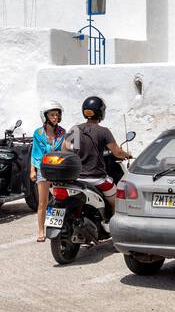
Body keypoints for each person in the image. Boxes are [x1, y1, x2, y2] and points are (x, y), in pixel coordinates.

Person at [62, 96, 132, 206]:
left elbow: (64, 149)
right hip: (97, 178)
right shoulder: (103, 131)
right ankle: (112, 221)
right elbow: (117, 152)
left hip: (77, 178)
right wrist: (128, 155)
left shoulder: (75, 129)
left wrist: (76, 152)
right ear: (101, 112)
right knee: (118, 201)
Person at [29, 100, 66, 242]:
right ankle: (40, 230)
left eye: (57, 115)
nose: (55, 117)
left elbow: (64, 149)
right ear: (45, 116)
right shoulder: (38, 133)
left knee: (61, 199)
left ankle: (60, 227)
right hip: (43, 169)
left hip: (58, 169)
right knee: (42, 202)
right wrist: (32, 170)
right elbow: (35, 153)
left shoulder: (62, 132)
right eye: (52, 115)